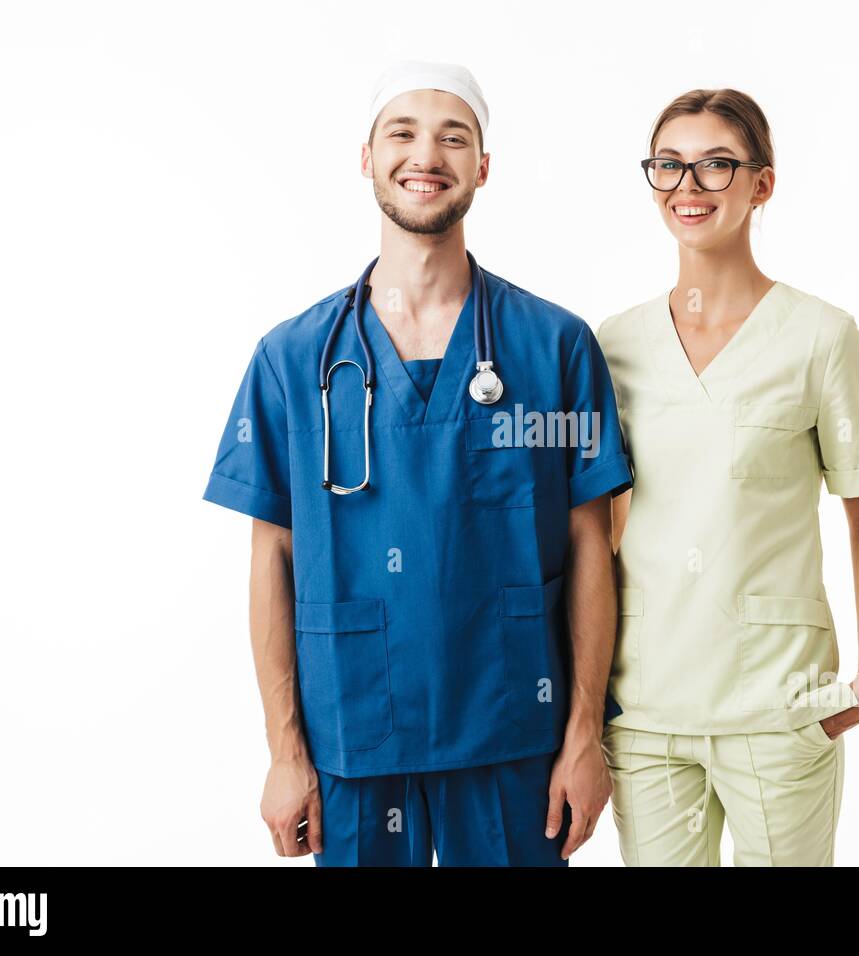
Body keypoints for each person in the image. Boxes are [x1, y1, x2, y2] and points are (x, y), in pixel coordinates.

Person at [202, 60, 632, 866]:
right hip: (355, 737)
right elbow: (273, 555)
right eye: (402, 133)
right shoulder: (294, 360)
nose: (424, 156)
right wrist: (285, 751)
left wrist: (584, 739)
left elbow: (590, 546)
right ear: (366, 157)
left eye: (452, 137)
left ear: (482, 167)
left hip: (512, 737)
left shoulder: (552, 349)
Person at [596, 88, 859, 866]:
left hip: (778, 704)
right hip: (646, 710)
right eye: (669, 166)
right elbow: (602, 527)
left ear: (761, 184)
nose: (687, 188)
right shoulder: (615, 345)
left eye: (715, 166)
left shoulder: (821, 339)